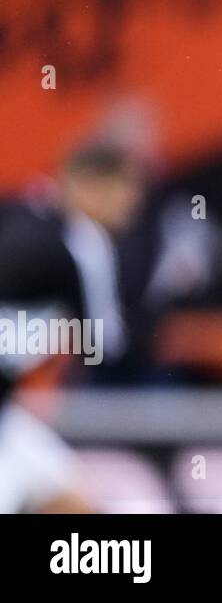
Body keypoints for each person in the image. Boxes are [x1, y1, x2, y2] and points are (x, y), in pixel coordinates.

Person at [0, 142, 142, 513]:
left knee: (71, 500)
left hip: (8, 415)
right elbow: (105, 345)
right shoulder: (84, 240)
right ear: (86, 186)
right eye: (122, 188)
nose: (130, 202)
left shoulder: (21, 212)